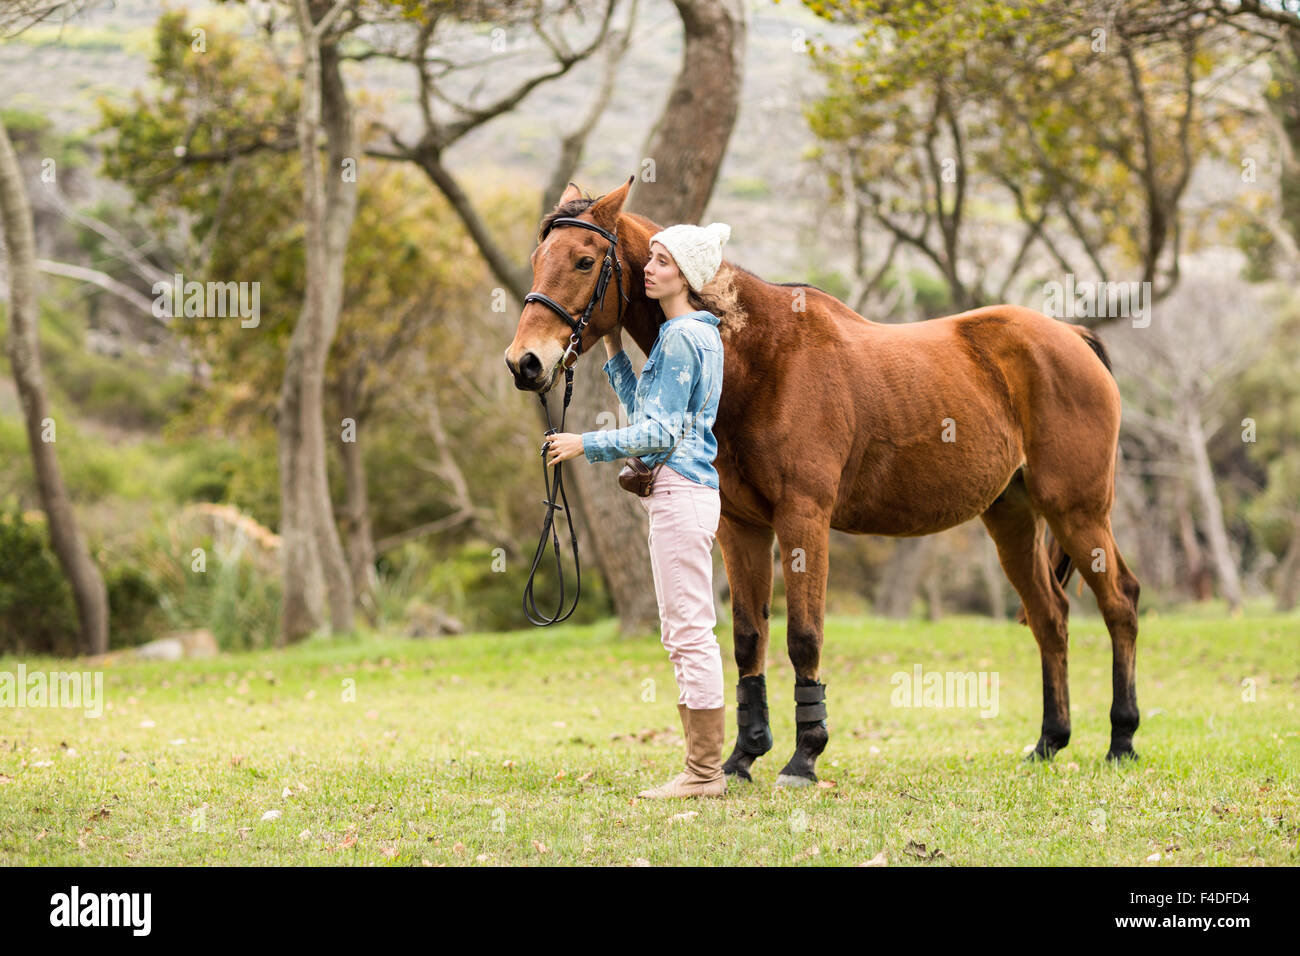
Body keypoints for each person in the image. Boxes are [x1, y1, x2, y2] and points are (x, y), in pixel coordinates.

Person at [543, 221, 733, 798]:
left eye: (662, 262)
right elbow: (647, 407)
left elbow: (660, 431)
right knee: (686, 632)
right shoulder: (698, 334)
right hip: (687, 494)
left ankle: (703, 773)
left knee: (689, 634)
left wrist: (585, 444)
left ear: (687, 277)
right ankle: (701, 768)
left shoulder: (679, 339)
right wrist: (612, 350)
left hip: (679, 493)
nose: (648, 268)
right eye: (649, 258)